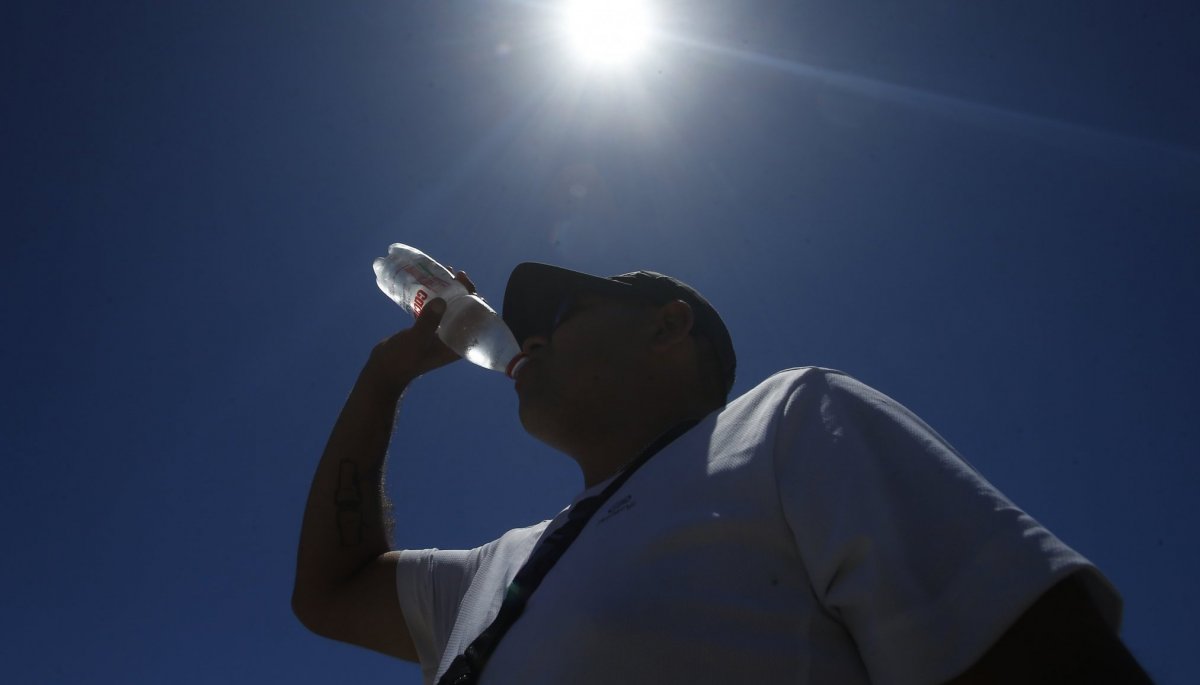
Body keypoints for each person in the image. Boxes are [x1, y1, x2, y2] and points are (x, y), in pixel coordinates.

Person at [293, 262, 1153, 684]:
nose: (533, 335)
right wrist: (384, 377)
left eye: (563, 310)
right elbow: (330, 592)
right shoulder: (503, 566)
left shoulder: (790, 424)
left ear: (667, 327)